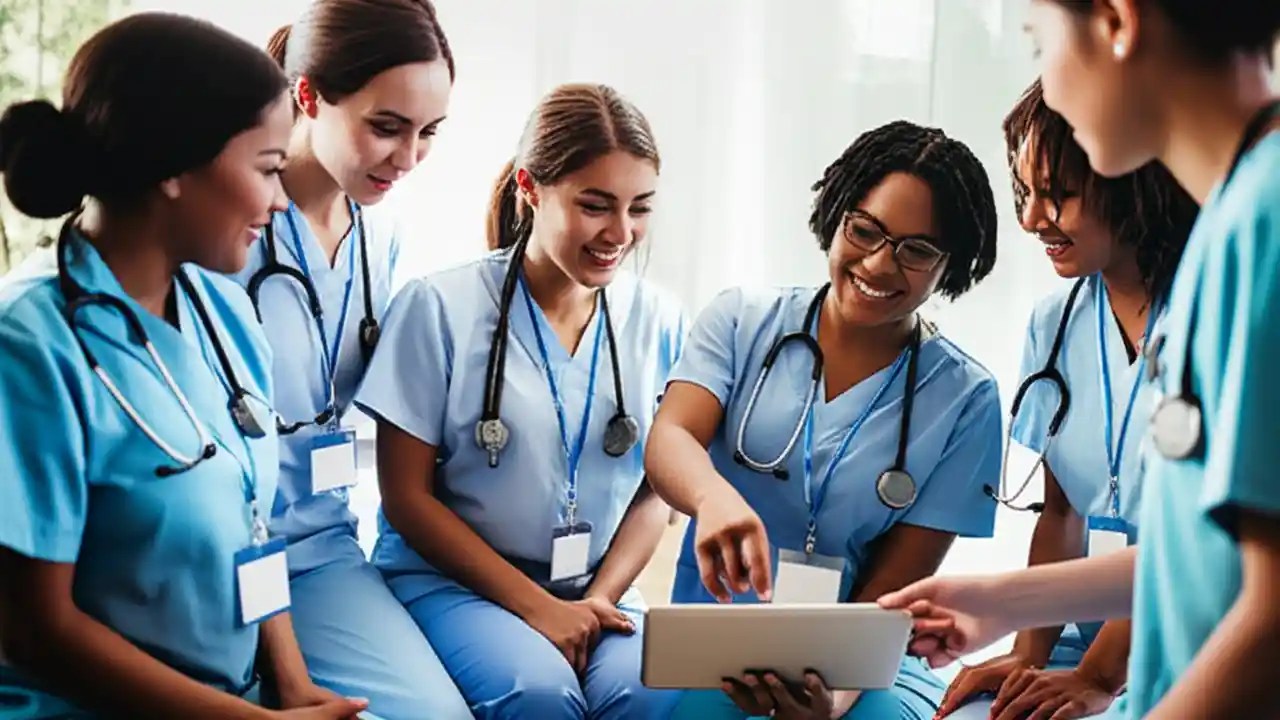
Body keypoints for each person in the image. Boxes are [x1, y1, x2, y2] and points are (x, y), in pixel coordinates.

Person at [879, 2, 1280, 718]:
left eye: (1040, 42)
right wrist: (1002, 601)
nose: (1051, 90)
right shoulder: (1236, 218)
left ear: (1117, 21)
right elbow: (1201, 558)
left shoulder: (1266, 221)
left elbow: (1271, 609)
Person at [0, 12, 367, 719]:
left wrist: (292, 684)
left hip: (240, 696)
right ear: (174, 166)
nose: (281, 199)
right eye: (268, 168)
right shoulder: (29, 346)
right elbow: (36, 631)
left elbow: (250, 525)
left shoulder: (225, 312)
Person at [645, 120, 1003, 720]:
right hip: (719, 646)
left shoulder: (967, 399)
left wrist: (832, 701)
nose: (880, 264)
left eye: (917, 251)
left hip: (868, 655)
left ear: (952, 266)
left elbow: (893, 591)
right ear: (836, 215)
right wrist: (712, 497)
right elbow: (670, 437)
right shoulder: (741, 322)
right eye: (864, 230)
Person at [352, 82, 686, 720]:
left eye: (639, 208)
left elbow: (656, 491)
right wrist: (539, 608)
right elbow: (406, 498)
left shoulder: (658, 319)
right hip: (454, 585)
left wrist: (597, 601)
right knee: (537, 694)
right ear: (530, 188)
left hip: (596, 587)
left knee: (656, 693)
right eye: (595, 205)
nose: (620, 232)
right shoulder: (439, 308)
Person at [228, 2, 469, 717]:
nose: (409, 158)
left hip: (323, 548)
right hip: (225, 550)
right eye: (386, 127)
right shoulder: (228, 232)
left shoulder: (377, 238)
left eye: (429, 132)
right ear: (307, 95)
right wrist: (289, 671)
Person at [937, 80, 1197, 720]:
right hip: (1085, 648)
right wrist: (1029, 654)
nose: (1031, 220)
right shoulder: (1055, 324)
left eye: (1058, 195)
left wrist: (1096, 678)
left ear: (1132, 182)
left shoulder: (1208, 315)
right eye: (1024, 193)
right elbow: (1060, 516)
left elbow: (1189, 535)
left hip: (1194, 643)